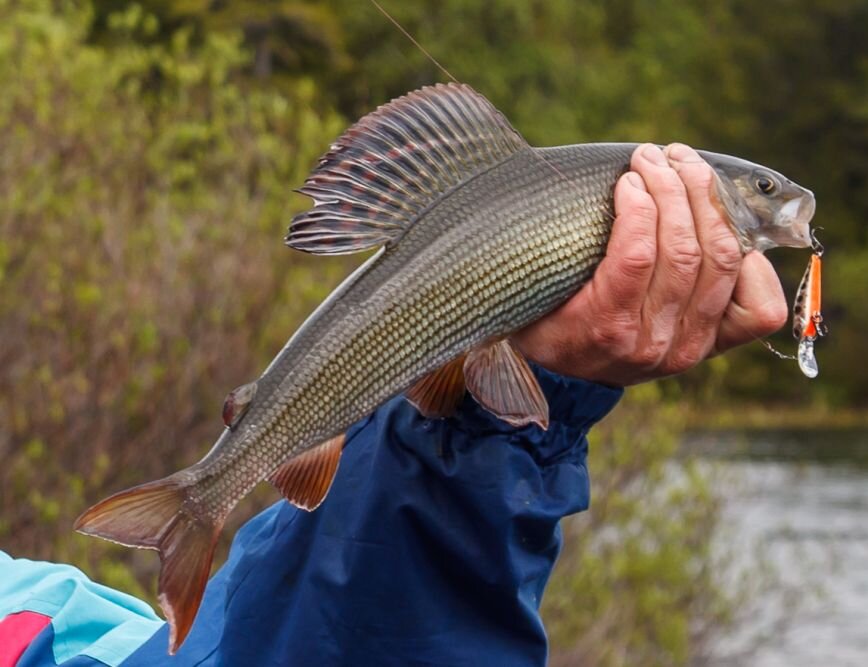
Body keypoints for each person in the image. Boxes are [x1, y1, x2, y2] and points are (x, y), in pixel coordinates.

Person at [0, 144, 787, 666]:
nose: (778, 202)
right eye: (764, 190)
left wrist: (499, 418)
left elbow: (272, 646)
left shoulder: (48, 629)